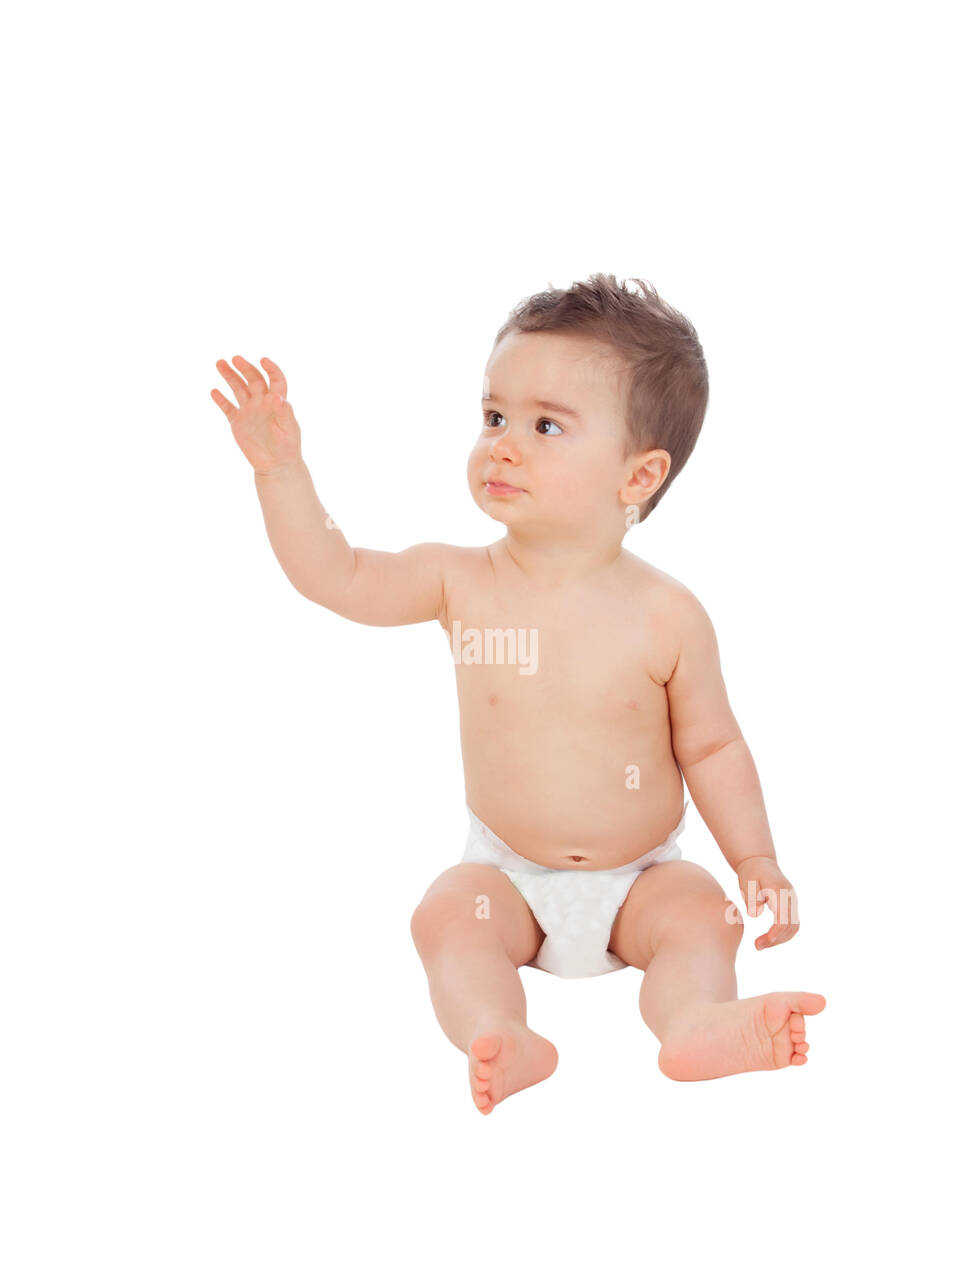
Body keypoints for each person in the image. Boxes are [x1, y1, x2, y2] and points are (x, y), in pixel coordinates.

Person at [211, 272, 825, 1115]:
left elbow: (713, 747)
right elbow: (338, 575)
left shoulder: (668, 614)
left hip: (643, 876)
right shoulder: (459, 581)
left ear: (639, 475)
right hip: (503, 876)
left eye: (545, 427)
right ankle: (501, 1033)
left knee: (702, 917)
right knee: (442, 920)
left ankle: (694, 1023)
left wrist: (756, 862)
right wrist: (282, 472)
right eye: (494, 416)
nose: (502, 443)